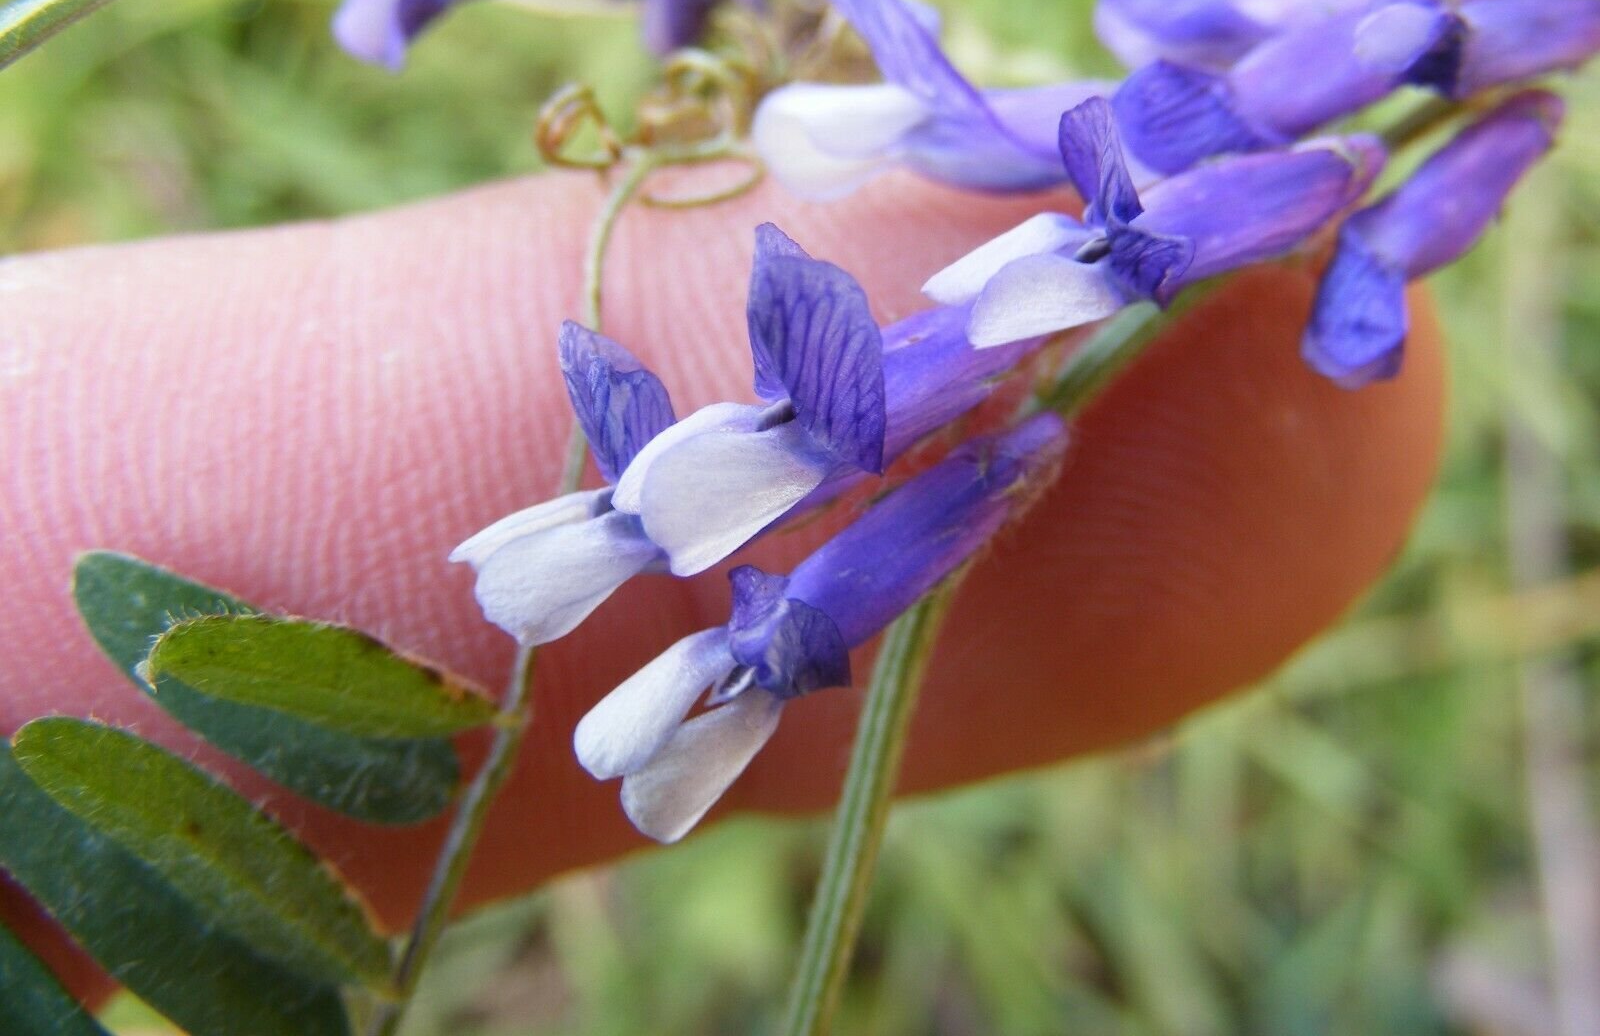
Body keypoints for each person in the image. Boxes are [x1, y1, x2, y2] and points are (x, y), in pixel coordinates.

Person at [0, 167, 1443, 1002]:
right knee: (779, 498)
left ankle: (730, 607)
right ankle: (724, 602)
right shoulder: (830, 431)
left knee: (789, 502)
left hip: (785, 535)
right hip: (781, 521)